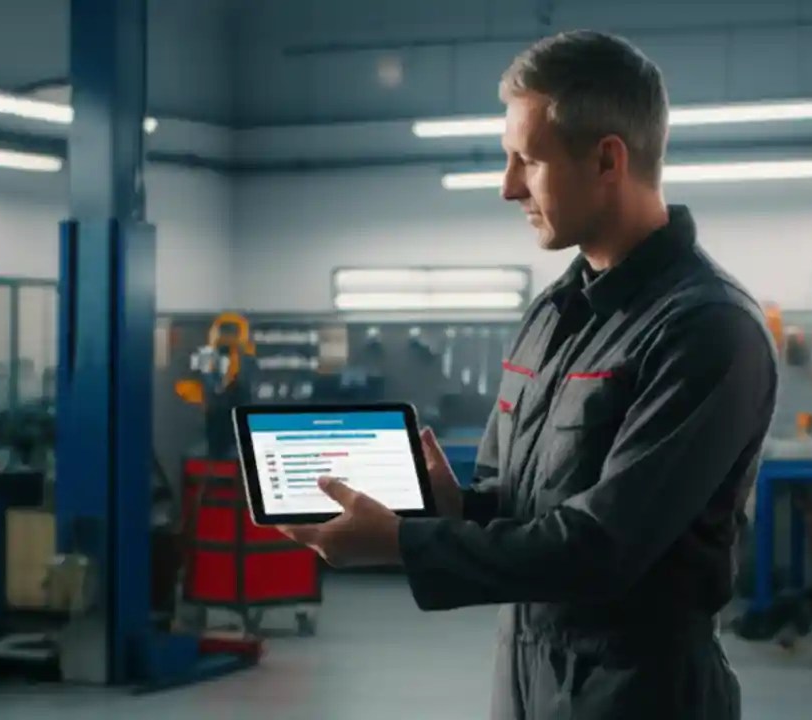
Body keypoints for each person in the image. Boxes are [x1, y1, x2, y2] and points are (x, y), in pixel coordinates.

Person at [280, 29, 777, 720]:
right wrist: (460, 508)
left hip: (638, 694)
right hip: (524, 676)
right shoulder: (552, 313)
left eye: (527, 160)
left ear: (607, 160)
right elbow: (523, 506)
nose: (508, 186)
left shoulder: (707, 329)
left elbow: (603, 547)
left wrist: (401, 543)